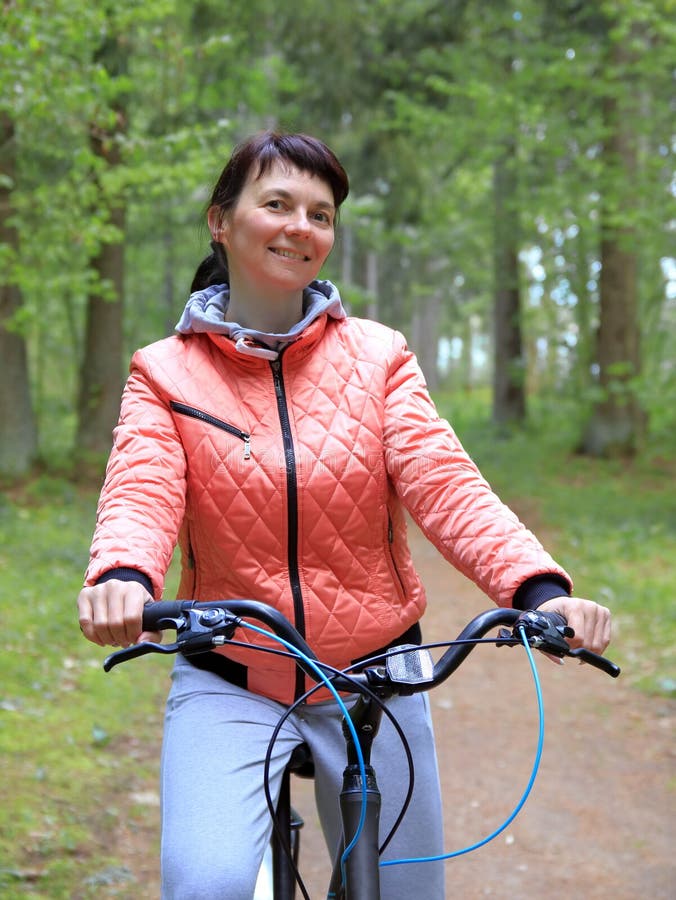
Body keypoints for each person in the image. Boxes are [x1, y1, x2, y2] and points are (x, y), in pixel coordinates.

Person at [78, 131, 611, 900]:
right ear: (220, 221)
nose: (300, 226)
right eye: (277, 203)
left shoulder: (379, 358)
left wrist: (538, 591)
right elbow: (141, 490)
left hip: (375, 676)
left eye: (320, 214)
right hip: (232, 670)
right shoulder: (164, 373)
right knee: (207, 884)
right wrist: (124, 577)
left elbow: (447, 485)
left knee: (404, 893)